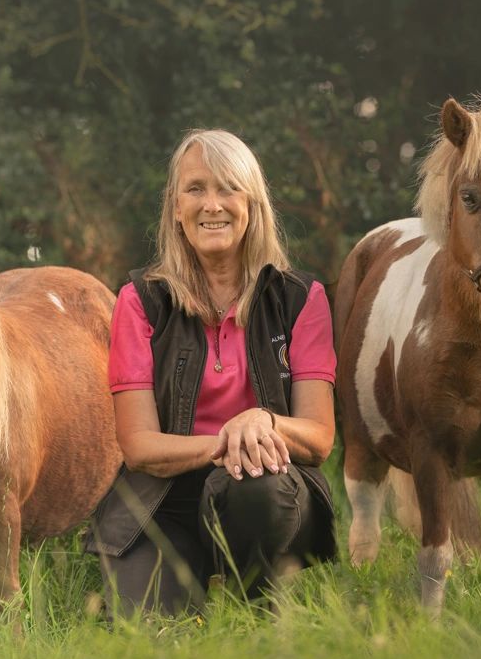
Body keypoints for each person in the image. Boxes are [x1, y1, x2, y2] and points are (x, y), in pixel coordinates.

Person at [87, 129, 339, 615]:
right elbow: (139, 447)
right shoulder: (139, 302)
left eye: (228, 188)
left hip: (266, 487)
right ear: (175, 208)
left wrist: (263, 420)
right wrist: (230, 438)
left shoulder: (302, 298)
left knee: (257, 486)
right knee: (146, 625)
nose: (212, 205)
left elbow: (319, 438)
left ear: (253, 204)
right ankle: (192, 577)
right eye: (196, 189)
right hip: (165, 499)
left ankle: (257, 597)